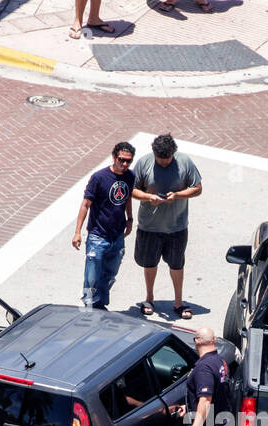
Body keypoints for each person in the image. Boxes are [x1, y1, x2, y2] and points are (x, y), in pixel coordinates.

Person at [131, 133, 202, 319]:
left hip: (176, 226)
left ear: (173, 153)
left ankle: (178, 301)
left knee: (177, 265)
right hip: (149, 226)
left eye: (167, 159)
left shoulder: (185, 162)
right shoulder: (144, 163)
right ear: (154, 153)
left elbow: (197, 188)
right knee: (149, 263)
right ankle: (149, 298)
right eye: (160, 159)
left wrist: (178, 195)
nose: (163, 162)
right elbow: (132, 189)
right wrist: (149, 197)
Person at [73, 142, 135, 310]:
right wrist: (77, 232)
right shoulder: (99, 178)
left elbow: (128, 197)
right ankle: (90, 304)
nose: (124, 164)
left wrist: (129, 219)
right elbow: (86, 204)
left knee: (110, 274)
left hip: (117, 235)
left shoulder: (130, 176)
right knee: (92, 276)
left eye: (128, 161)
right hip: (97, 235)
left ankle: (99, 303)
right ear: (114, 157)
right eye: (121, 160)